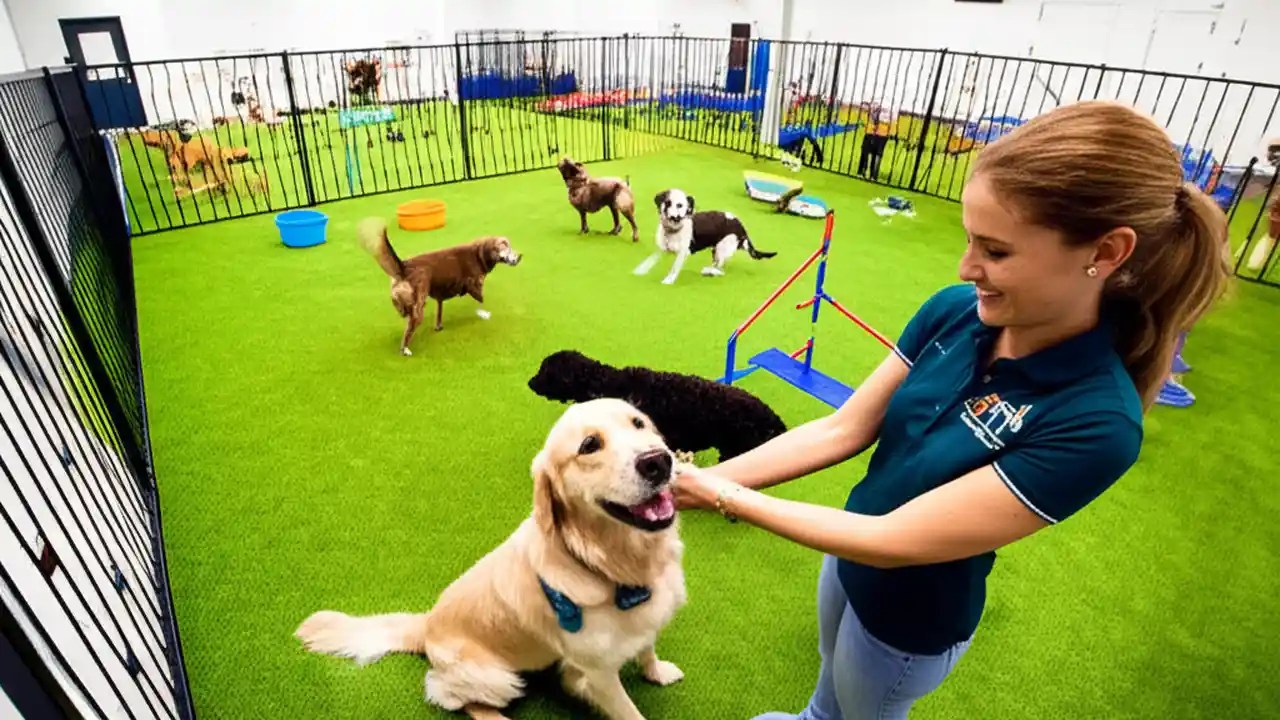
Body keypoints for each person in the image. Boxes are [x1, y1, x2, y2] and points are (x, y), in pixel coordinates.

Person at [671, 100, 1232, 720]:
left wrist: (719, 496)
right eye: (970, 240)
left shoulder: (1098, 421)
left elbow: (895, 541)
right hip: (846, 554)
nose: (968, 268)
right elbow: (842, 427)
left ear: (1106, 251)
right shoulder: (957, 308)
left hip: (906, 622)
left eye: (995, 251)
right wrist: (682, 483)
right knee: (824, 705)